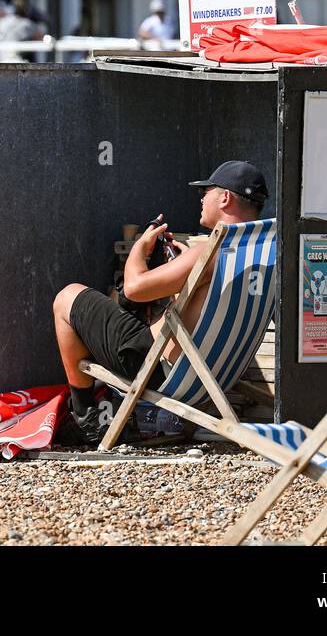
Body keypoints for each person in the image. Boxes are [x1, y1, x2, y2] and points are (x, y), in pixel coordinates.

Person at [52, 159, 269, 446]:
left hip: (152, 367)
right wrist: (182, 271)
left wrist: (138, 250)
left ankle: (86, 417)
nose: (202, 199)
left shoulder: (212, 250)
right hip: (210, 377)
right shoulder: (262, 256)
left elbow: (132, 289)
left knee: (68, 297)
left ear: (225, 198)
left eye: (206, 192)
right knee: (118, 310)